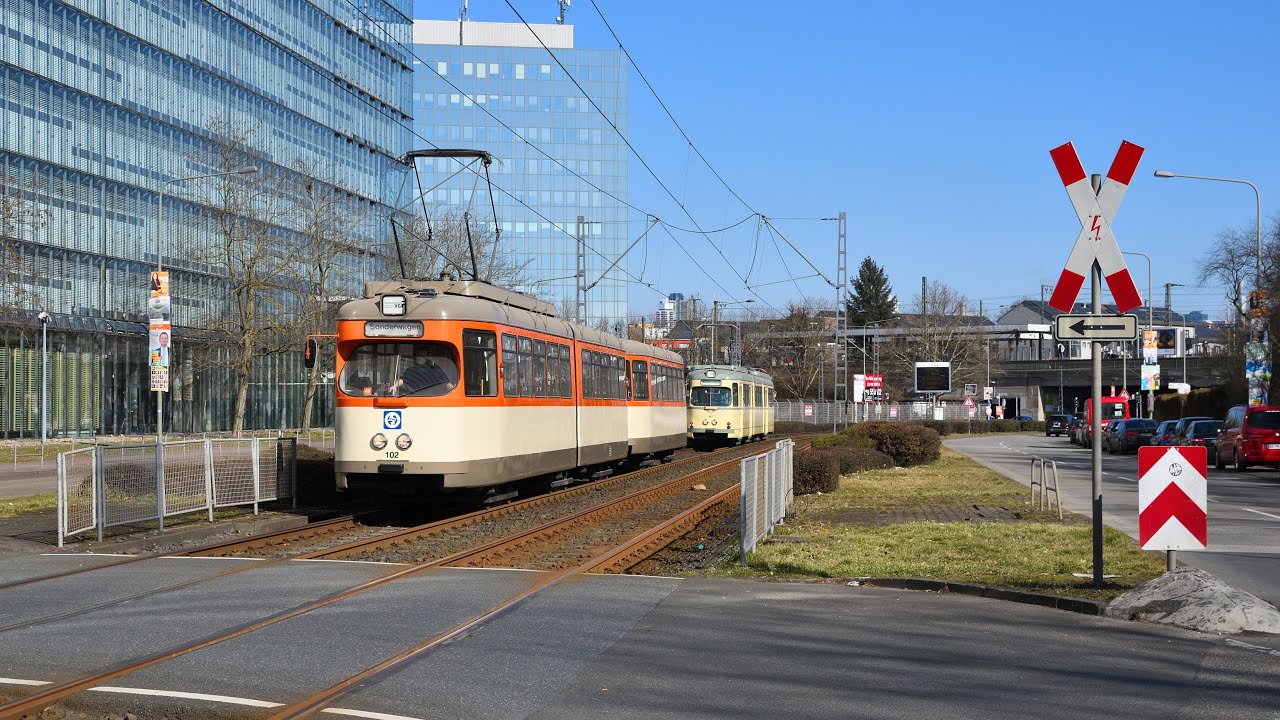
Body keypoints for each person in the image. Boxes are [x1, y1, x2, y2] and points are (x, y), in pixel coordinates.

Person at [390, 347, 456, 396]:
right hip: (415, 397)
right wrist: (395, 386)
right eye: (418, 355)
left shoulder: (434, 369)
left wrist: (453, 389)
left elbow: (445, 382)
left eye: (422, 355)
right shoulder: (412, 369)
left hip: (431, 398)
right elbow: (403, 379)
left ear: (427, 357)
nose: (420, 357)